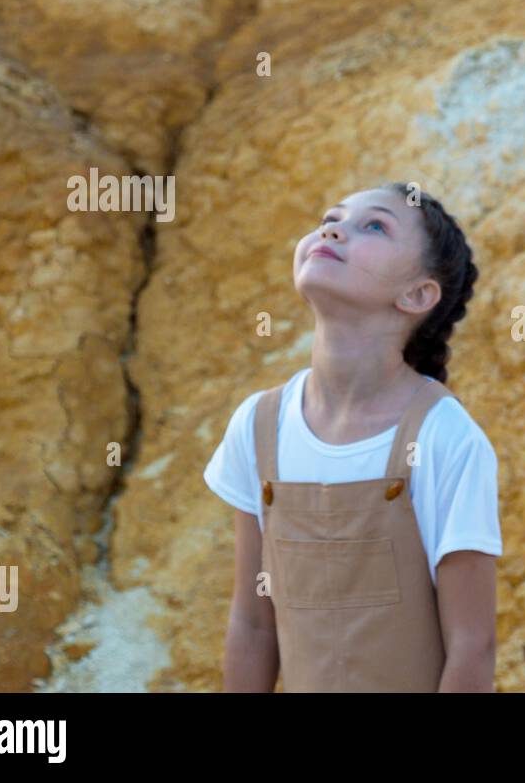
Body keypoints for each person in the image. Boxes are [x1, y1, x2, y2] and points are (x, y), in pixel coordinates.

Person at [206, 182, 501, 691]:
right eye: (331, 216)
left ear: (417, 294)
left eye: (374, 226)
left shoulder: (444, 436)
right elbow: (253, 627)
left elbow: (473, 646)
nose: (333, 228)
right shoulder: (257, 427)